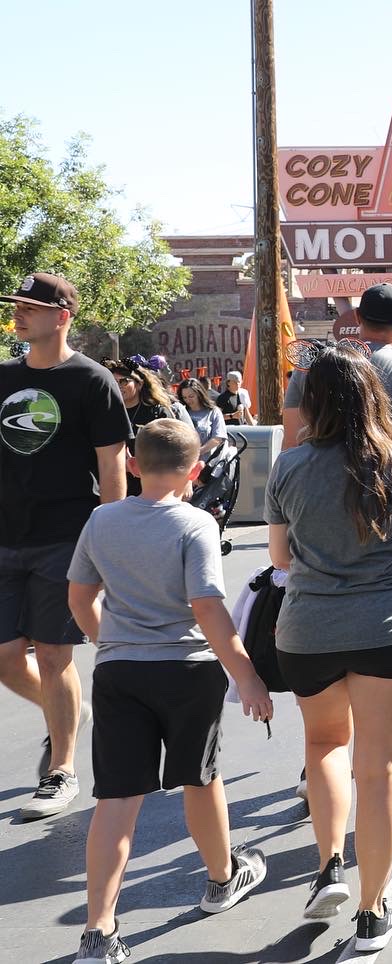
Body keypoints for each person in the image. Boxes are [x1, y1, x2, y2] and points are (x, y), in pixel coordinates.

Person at [266, 345, 392, 950]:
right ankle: (372, 909)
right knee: (379, 768)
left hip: (307, 633)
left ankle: (328, 863)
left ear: (314, 404)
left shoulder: (289, 467)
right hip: (386, 630)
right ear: (372, 398)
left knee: (325, 744)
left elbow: (279, 558)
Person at [66, 419, 273, 964]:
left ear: (133, 464)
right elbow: (206, 606)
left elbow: (80, 595)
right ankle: (221, 879)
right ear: (195, 470)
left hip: (120, 669)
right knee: (199, 780)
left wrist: (104, 637)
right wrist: (246, 674)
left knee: (116, 800)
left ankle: (98, 931)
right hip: (186, 669)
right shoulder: (196, 523)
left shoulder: (102, 519)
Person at [283, 283, 392, 766]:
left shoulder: (313, 368)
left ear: (357, 321)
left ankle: (324, 754)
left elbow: (293, 440)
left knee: (316, 618)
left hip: (313, 506)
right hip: (387, 509)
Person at [0, 273, 130, 821]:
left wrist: (110, 538)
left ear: (62, 316)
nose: (19, 314)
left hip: (66, 538)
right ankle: (67, 717)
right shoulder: (2, 377)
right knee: (6, 659)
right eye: (16, 306)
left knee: (54, 654)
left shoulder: (91, 381)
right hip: (5, 536)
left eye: (30, 307)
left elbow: (112, 465)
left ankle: (62, 771)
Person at [104, 358, 185, 497]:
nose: (118, 386)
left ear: (139, 384)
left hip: (154, 488)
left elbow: (174, 450)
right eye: (113, 382)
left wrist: (137, 465)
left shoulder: (158, 413)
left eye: (123, 381)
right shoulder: (105, 413)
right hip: (116, 487)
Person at [177, 378, 227, 459]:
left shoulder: (213, 412)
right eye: (184, 397)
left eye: (191, 396)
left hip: (206, 463)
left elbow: (218, 438)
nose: (188, 400)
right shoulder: (181, 412)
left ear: (199, 394)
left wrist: (198, 452)